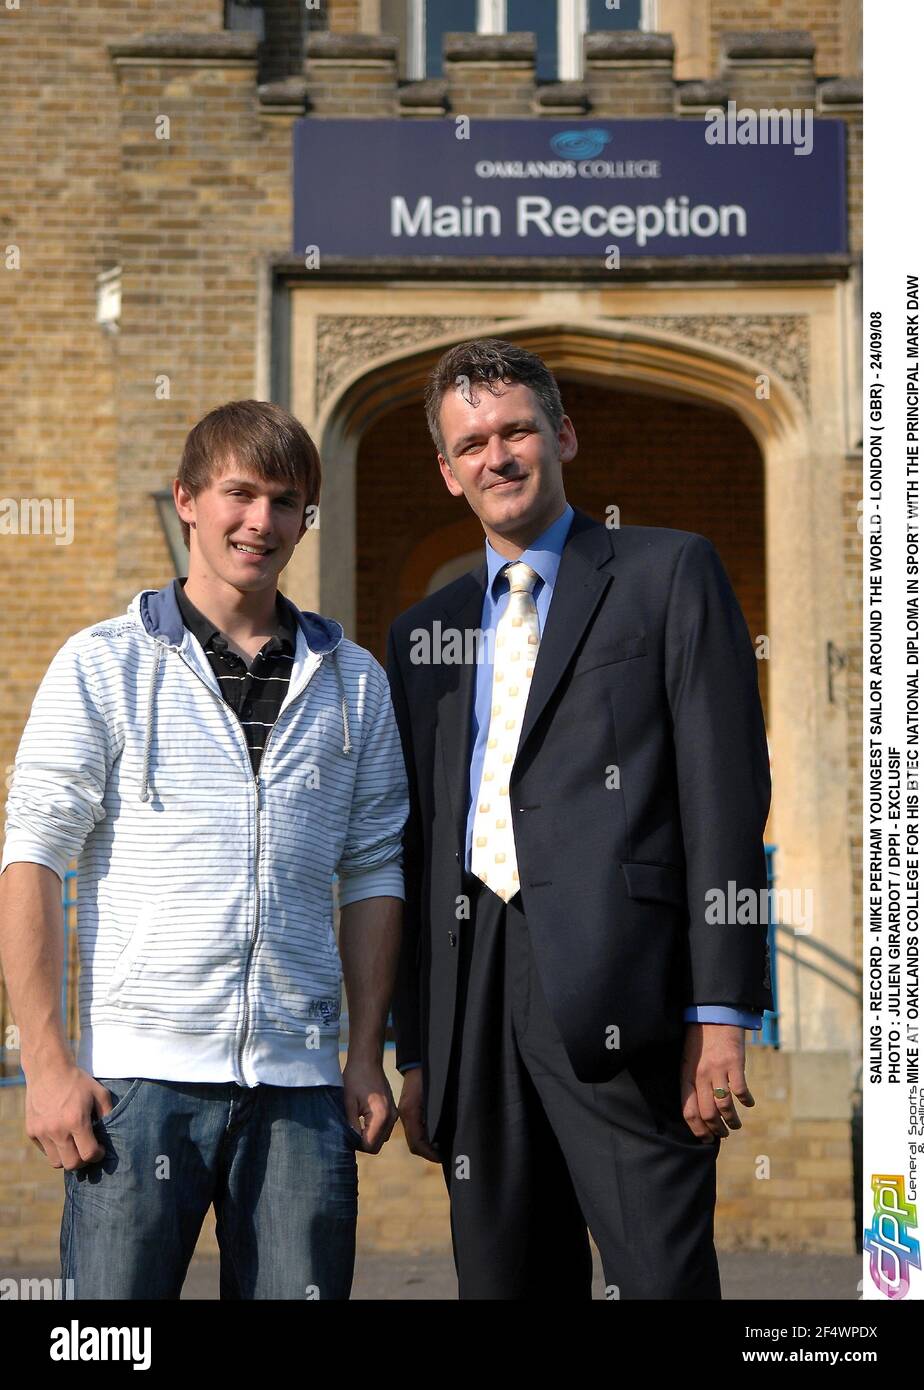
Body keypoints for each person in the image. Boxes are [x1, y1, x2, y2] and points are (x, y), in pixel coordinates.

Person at [386, 340, 774, 1300]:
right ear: (447, 472)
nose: (498, 456)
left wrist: (719, 1010)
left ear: (561, 433)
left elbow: (725, 796)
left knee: (660, 1280)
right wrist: (420, 1045)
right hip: (474, 994)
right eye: (471, 442)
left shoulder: (667, 573)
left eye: (517, 429)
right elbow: (420, 844)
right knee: (505, 1281)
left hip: (629, 994)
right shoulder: (420, 635)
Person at [0, 399, 408, 1300]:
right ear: (188, 499)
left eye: (286, 500)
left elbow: (375, 868)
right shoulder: (101, 663)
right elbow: (32, 856)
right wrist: (47, 1063)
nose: (260, 521)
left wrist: (363, 1050)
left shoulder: (354, 683)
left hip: (300, 1089)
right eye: (239, 493)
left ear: (307, 518)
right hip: (135, 1089)